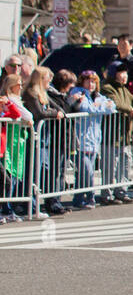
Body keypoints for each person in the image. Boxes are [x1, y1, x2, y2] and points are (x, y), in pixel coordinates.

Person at [66, 70, 115, 209]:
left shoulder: (98, 96)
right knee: (87, 171)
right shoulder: (77, 92)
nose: (91, 84)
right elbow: (85, 108)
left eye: (94, 81)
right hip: (80, 140)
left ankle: (78, 198)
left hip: (94, 140)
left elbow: (112, 107)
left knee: (84, 172)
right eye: (88, 81)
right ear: (82, 81)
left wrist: (99, 106)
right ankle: (91, 196)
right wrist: (99, 107)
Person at [25, 67, 69, 215]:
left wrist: (59, 112)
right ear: (39, 78)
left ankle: (40, 203)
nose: (49, 80)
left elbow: (58, 108)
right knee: (35, 171)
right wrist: (54, 113)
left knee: (43, 171)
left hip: (45, 138)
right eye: (46, 78)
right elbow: (40, 113)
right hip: (35, 137)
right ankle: (31, 205)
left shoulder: (43, 92)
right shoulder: (31, 93)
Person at [100, 64, 133, 203]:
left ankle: (121, 191)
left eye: (126, 73)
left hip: (125, 136)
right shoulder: (108, 88)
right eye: (121, 73)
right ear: (114, 74)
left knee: (124, 165)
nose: (125, 76)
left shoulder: (125, 89)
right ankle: (106, 194)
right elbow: (116, 103)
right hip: (112, 135)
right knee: (109, 168)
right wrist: (131, 110)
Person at [1, 73, 35, 222]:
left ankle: (6, 209)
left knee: (10, 179)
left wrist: (8, 105)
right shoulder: (8, 99)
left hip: (10, 145)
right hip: (8, 145)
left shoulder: (10, 102)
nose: (21, 87)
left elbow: (16, 113)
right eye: (19, 84)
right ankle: (5, 209)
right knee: (7, 180)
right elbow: (26, 116)